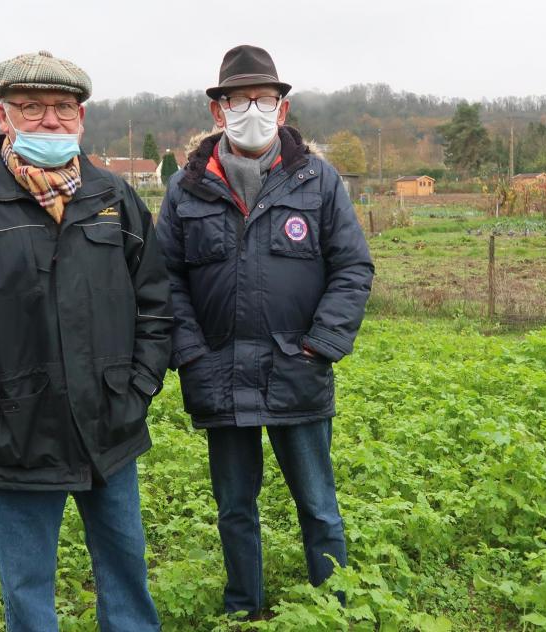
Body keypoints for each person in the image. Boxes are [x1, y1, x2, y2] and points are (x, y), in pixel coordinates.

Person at [0, 50, 171, 631]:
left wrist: (138, 389)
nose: (50, 121)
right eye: (31, 108)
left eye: (63, 109)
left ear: (81, 117)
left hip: (111, 424)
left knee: (126, 572)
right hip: (16, 432)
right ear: (3, 115)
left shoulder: (113, 197)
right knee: (27, 591)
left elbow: (157, 304)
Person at [156, 44, 374, 618]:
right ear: (217, 110)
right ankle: (241, 608)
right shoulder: (185, 188)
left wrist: (320, 345)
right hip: (219, 374)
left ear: (282, 107)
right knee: (234, 507)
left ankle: (335, 606)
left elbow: (353, 268)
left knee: (319, 505)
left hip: (296, 371)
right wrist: (192, 355)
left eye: (264, 98)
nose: (252, 109)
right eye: (238, 99)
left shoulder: (318, 181)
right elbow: (164, 279)